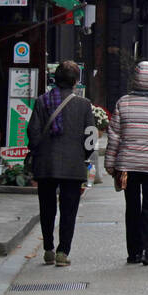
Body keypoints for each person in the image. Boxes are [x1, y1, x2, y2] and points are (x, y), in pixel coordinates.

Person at [27, 61, 93, 267]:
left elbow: (33, 133)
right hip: (73, 165)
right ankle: (63, 252)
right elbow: (90, 137)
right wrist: (83, 155)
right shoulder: (83, 105)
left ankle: (48, 249)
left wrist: (39, 151)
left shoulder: (42, 101)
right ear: (75, 81)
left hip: (46, 164)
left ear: (55, 79)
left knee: (46, 207)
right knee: (69, 209)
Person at [105, 60, 148, 266]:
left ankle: (133, 251)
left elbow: (114, 135)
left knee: (132, 207)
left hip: (128, 165)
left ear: (135, 79)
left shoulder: (123, 102)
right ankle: (147, 252)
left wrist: (110, 163)